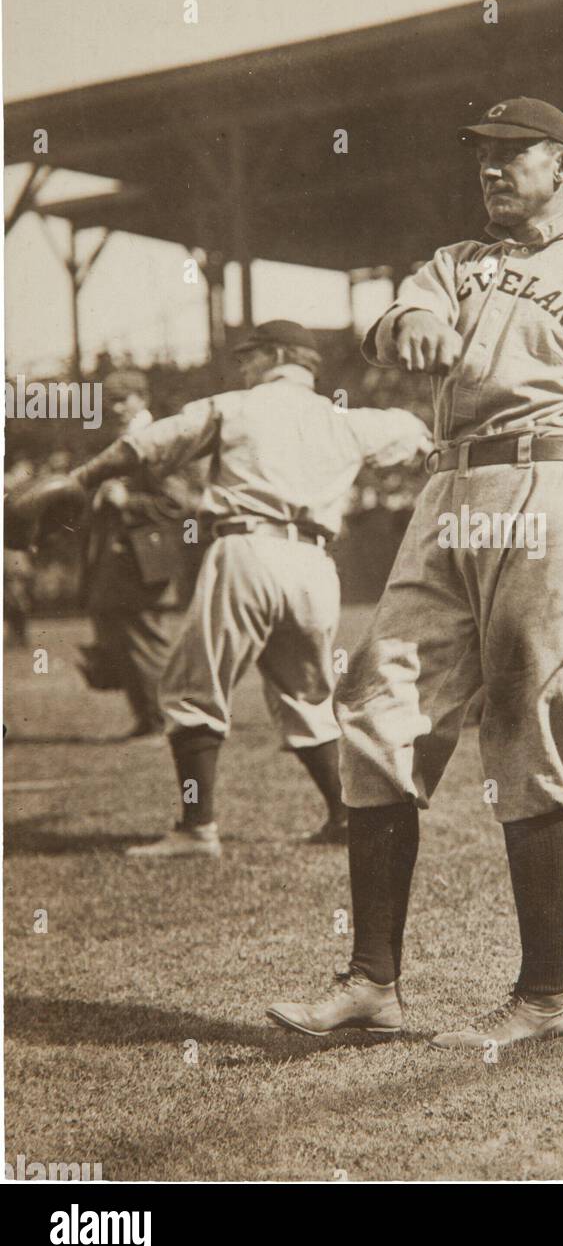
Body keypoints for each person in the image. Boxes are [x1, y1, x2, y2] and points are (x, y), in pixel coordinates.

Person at [267, 98, 563, 1049]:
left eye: (513, 155)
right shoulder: (455, 263)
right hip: (448, 491)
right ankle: (373, 982)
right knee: (377, 707)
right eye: (482, 156)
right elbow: (397, 318)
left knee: (526, 720)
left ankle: (548, 995)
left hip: (557, 482)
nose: (492, 170)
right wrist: (411, 320)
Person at [63, 321, 431, 859]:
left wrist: (79, 480)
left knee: (192, 692)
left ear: (278, 355)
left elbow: (145, 445)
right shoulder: (348, 421)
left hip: (247, 548)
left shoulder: (235, 406)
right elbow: (419, 434)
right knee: (307, 699)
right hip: (313, 567)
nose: (242, 365)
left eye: (249, 356)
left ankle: (196, 829)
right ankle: (342, 815)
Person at [80, 369, 199, 738]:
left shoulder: (156, 439)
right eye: (108, 400)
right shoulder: (124, 439)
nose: (114, 407)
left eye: (122, 398)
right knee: (125, 640)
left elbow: (180, 502)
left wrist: (126, 500)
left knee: (146, 641)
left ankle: (164, 719)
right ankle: (149, 718)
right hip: (121, 560)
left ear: (141, 399)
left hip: (146, 561)